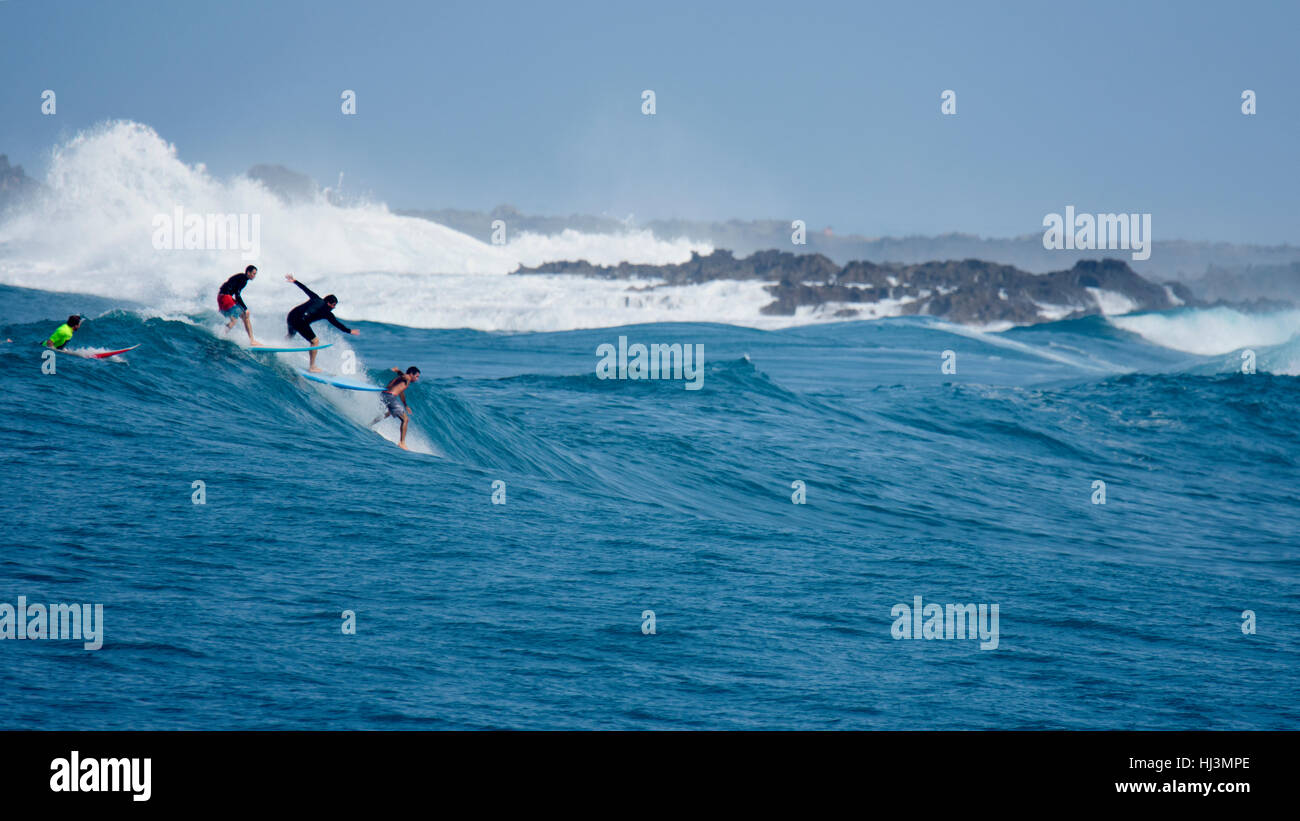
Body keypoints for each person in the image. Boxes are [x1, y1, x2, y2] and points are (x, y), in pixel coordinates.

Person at [284, 274, 359, 371]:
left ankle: (282, 345)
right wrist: (349, 331)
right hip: (300, 321)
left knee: (291, 335)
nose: (333, 307)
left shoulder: (316, 298)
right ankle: (312, 367)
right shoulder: (326, 312)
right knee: (315, 341)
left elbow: (306, 289)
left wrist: (294, 281)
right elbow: (336, 324)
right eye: (333, 305)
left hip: (291, 316)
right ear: (328, 303)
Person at [371, 367, 421, 450]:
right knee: (405, 419)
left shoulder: (404, 381)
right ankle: (402, 443)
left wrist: (405, 405)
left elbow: (401, 392)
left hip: (385, 394)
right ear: (411, 374)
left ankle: (370, 424)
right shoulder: (407, 378)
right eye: (417, 376)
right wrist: (398, 370)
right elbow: (404, 376)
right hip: (390, 396)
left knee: (387, 414)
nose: (417, 379)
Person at [218, 265, 262, 345]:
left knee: (243, 317)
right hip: (225, 297)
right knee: (238, 319)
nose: (254, 276)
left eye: (255, 274)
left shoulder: (241, 277)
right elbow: (237, 295)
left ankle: (221, 333)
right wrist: (245, 308)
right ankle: (221, 335)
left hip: (221, 297)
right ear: (248, 272)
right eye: (253, 273)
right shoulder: (243, 279)